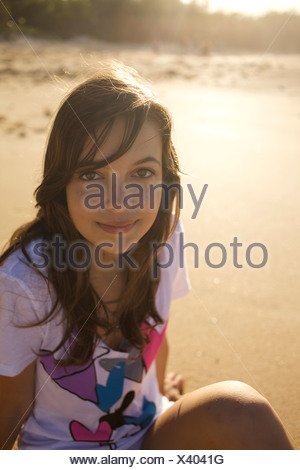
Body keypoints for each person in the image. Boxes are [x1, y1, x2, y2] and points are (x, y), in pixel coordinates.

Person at [0, 63, 294, 451]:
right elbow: (9, 412)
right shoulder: (25, 282)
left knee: (239, 408)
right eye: (92, 175)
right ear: (62, 182)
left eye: (141, 173)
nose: (120, 202)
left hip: (148, 436)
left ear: (164, 179)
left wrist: (155, 393)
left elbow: (158, 333)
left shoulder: (165, 237)